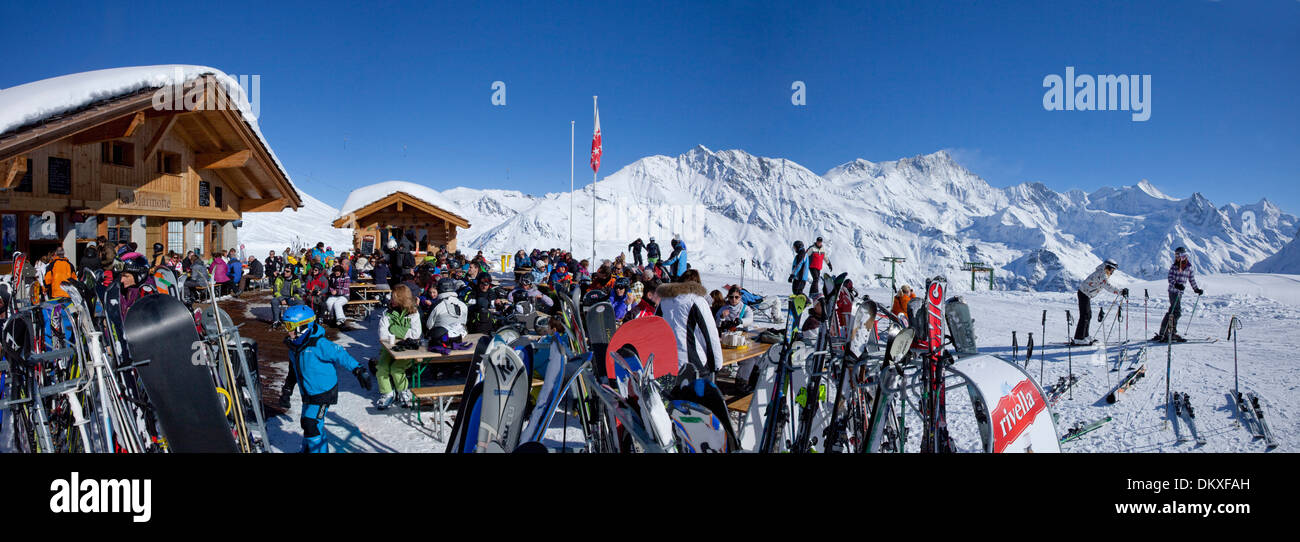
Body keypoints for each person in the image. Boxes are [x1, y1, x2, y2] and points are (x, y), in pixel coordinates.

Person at [280, 305, 369, 453]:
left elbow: (341, 354)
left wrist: (358, 369)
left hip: (323, 392)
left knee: (311, 423)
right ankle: (309, 449)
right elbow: (293, 371)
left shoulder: (319, 344)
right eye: (285, 326)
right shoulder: (294, 347)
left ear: (303, 326)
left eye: (289, 326)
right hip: (308, 393)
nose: (287, 330)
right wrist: (287, 390)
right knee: (309, 423)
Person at [654, 273, 725, 374]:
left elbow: (655, 328)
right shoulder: (697, 301)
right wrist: (716, 364)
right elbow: (710, 333)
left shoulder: (664, 301)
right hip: (692, 362)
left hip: (668, 362)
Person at [373, 284, 423, 409]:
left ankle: (403, 391)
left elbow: (416, 334)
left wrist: (393, 329)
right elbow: (383, 335)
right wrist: (404, 333)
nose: (391, 300)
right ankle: (387, 393)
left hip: (407, 349)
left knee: (396, 369)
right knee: (382, 368)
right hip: (389, 348)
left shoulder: (413, 313)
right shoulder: (387, 313)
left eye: (394, 297)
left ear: (402, 299)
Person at [1155, 247, 1203, 343]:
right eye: (1175, 255)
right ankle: (1171, 333)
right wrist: (1176, 284)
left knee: (1171, 311)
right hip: (1173, 291)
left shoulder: (1189, 267)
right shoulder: (1174, 266)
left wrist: (1196, 289)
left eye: (1178, 255)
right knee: (1176, 312)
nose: (1176, 257)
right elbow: (1170, 278)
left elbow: (1191, 279)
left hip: (1179, 293)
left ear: (1183, 255)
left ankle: (1163, 332)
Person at [1073, 259, 1126, 345]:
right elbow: (1108, 286)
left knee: (1088, 315)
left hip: (1086, 293)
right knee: (1085, 315)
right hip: (1084, 293)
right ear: (1108, 267)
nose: (1112, 272)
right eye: (1112, 269)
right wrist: (1120, 292)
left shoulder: (1102, 272)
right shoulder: (1102, 274)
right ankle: (1079, 338)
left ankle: (1085, 336)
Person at [426, 277, 470, 354]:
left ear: (439, 289)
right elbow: (464, 323)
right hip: (460, 338)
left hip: (442, 340)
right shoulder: (463, 305)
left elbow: (429, 326)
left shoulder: (436, 305)